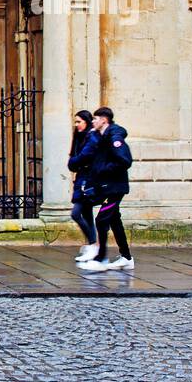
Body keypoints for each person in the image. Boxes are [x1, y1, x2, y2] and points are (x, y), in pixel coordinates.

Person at [79, 106, 134, 272]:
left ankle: (101, 258)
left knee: (102, 219)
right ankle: (126, 257)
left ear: (104, 120)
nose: (93, 121)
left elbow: (125, 160)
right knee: (114, 220)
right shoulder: (100, 137)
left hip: (115, 188)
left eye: (95, 119)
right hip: (106, 187)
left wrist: (105, 170)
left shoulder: (114, 137)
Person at [67, 109, 99, 262]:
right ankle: (92, 246)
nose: (77, 124)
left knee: (76, 213)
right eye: (75, 122)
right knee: (87, 215)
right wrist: (76, 161)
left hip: (87, 181)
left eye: (79, 121)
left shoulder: (91, 136)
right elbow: (73, 163)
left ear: (87, 121)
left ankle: (93, 245)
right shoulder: (80, 138)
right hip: (82, 179)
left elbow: (82, 158)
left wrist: (76, 161)